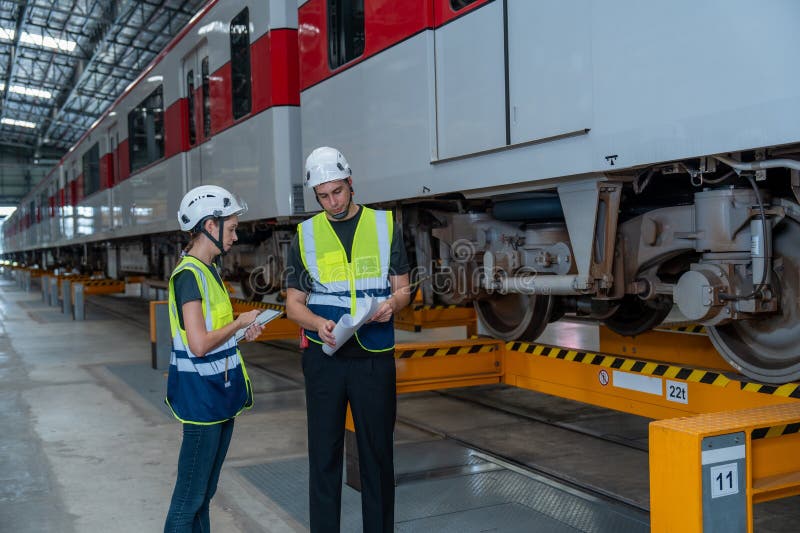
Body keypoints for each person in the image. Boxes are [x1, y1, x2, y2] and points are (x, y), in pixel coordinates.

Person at [286, 147, 411, 533]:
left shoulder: (385, 225)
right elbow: (293, 304)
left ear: (351, 184)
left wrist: (392, 304)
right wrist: (318, 322)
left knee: (377, 457)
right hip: (325, 357)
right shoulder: (305, 235)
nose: (331, 202)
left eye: (337, 192)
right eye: (323, 196)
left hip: (373, 356)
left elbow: (404, 289)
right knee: (324, 456)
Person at [164, 185, 265, 533]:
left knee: (203, 494)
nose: (236, 236)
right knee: (188, 501)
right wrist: (238, 323)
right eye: (232, 228)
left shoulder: (211, 272)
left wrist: (239, 334)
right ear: (210, 225)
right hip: (201, 402)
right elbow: (198, 344)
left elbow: (214, 337)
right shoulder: (189, 277)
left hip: (218, 396)